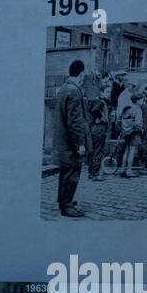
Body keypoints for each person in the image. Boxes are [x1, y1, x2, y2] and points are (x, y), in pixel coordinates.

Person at [53, 59, 90, 217]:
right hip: (70, 142)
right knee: (72, 173)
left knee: (65, 172)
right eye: (83, 75)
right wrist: (80, 144)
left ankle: (64, 201)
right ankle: (67, 206)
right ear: (81, 74)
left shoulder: (63, 88)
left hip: (63, 140)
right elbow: (75, 122)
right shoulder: (74, 91)